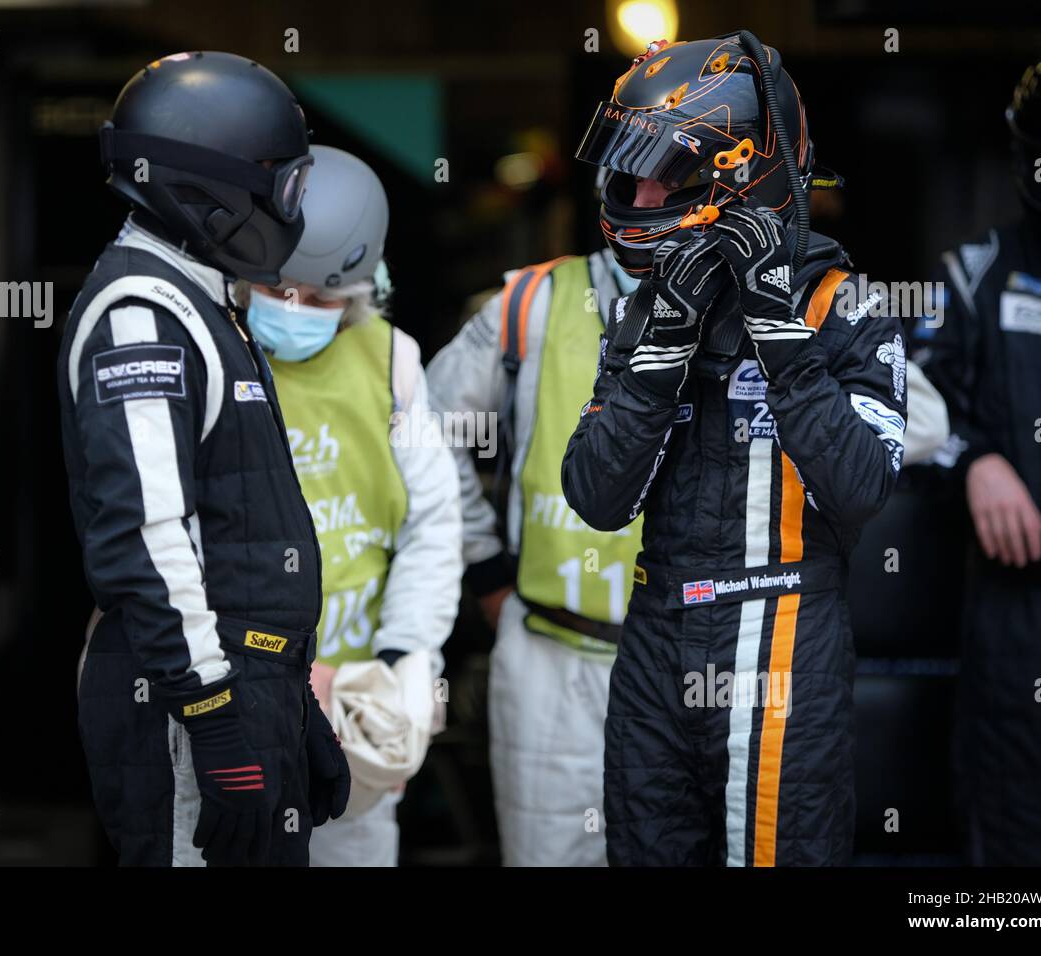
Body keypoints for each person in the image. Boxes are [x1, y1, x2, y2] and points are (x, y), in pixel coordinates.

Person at [561, 34, 907, 866]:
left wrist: (782, 340)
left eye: (663, 173)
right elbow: (597, 499)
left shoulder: (846, 307)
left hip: (782, 630)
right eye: (629, 171)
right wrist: (661, 354)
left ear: (737, 176)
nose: (639, 194)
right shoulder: (645, 312)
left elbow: (862, 491)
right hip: (656, 632)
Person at [61, 51, 349, 867]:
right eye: (281, 183)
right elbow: (146, 539)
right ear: (210, 187)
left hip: (244, 688)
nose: (290, 207)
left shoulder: (199, 301)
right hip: (189, 706)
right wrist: (216, 721)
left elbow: (237, 528)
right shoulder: (141, 316)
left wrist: (291, 702)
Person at [234, 145, 462, 866]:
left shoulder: (391, 360)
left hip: (356, 701)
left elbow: (432, 527)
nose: (295, 310)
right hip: (234, 692)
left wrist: (399, 672)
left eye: (321, 298)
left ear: (359, 291)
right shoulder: (214, 352)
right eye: (279, 289)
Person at [917, 45, 1041, 866]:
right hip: (1023, 622)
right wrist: (974, 461)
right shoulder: (976, 275)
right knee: (1023, 855)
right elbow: (904, 405)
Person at [426, 217, 643, 866]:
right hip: (549, 652)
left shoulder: (760, 297)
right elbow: (423, 428)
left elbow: (894, 425)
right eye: (634, 181)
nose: (652, 201)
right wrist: (486, 569)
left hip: (699, 661)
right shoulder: (532, 300)